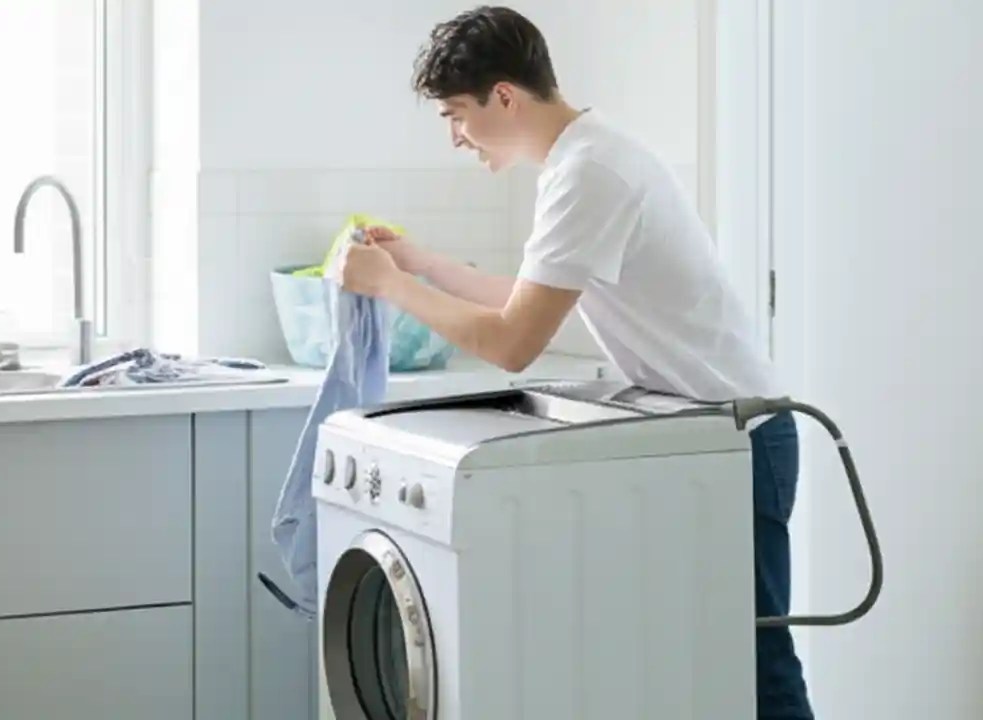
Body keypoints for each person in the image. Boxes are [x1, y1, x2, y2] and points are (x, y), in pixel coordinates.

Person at [333, 6, 813, 718]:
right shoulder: (581, 159)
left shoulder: (592, 173)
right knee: (706, 660)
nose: (456, 137)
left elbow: (512, 342)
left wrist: (391, 287)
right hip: (706, 434)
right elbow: (528, 297)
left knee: (754, 664)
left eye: (456, 115)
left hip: (741, 437)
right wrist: (419, 263)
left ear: (503, 96)